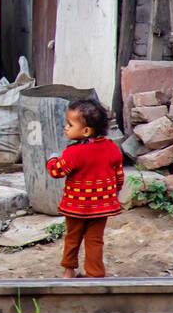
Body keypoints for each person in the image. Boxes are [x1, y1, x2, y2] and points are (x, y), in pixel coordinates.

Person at [45, 98, 122, 278]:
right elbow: (119, 176)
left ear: (86, 131)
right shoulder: (111, 148)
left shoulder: (74, 153)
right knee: (95, 240)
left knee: (73, 238)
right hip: (101, 207)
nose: (65, 127)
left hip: (75, 207)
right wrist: (112, 194)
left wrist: (52, 160)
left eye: (69, 124)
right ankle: (95, 274)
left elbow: (57, 171)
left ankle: (68, 271)